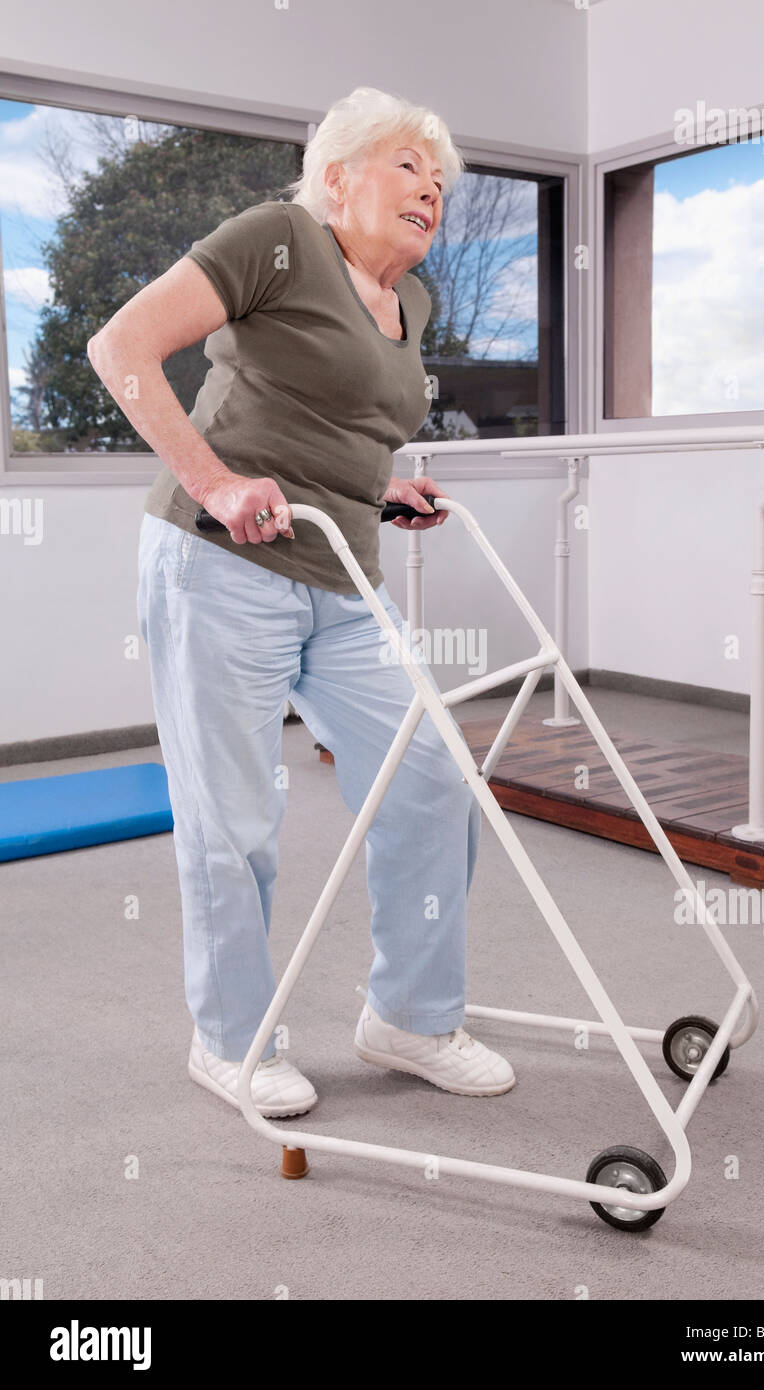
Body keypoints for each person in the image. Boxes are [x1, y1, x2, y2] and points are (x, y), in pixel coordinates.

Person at [87, 86, 515, 1119]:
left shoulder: (411, 302)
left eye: (440, 178)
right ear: (336, 177)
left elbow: (338, 425)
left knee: (428, 775)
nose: (431, 190)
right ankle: (232, 1040)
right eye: (407, 166)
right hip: (216, 563)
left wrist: (381, 485)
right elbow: (120, 350)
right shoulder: (277, 239)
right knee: (236, 816)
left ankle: (408, 1016)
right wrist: (215, 483)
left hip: (342, 572)